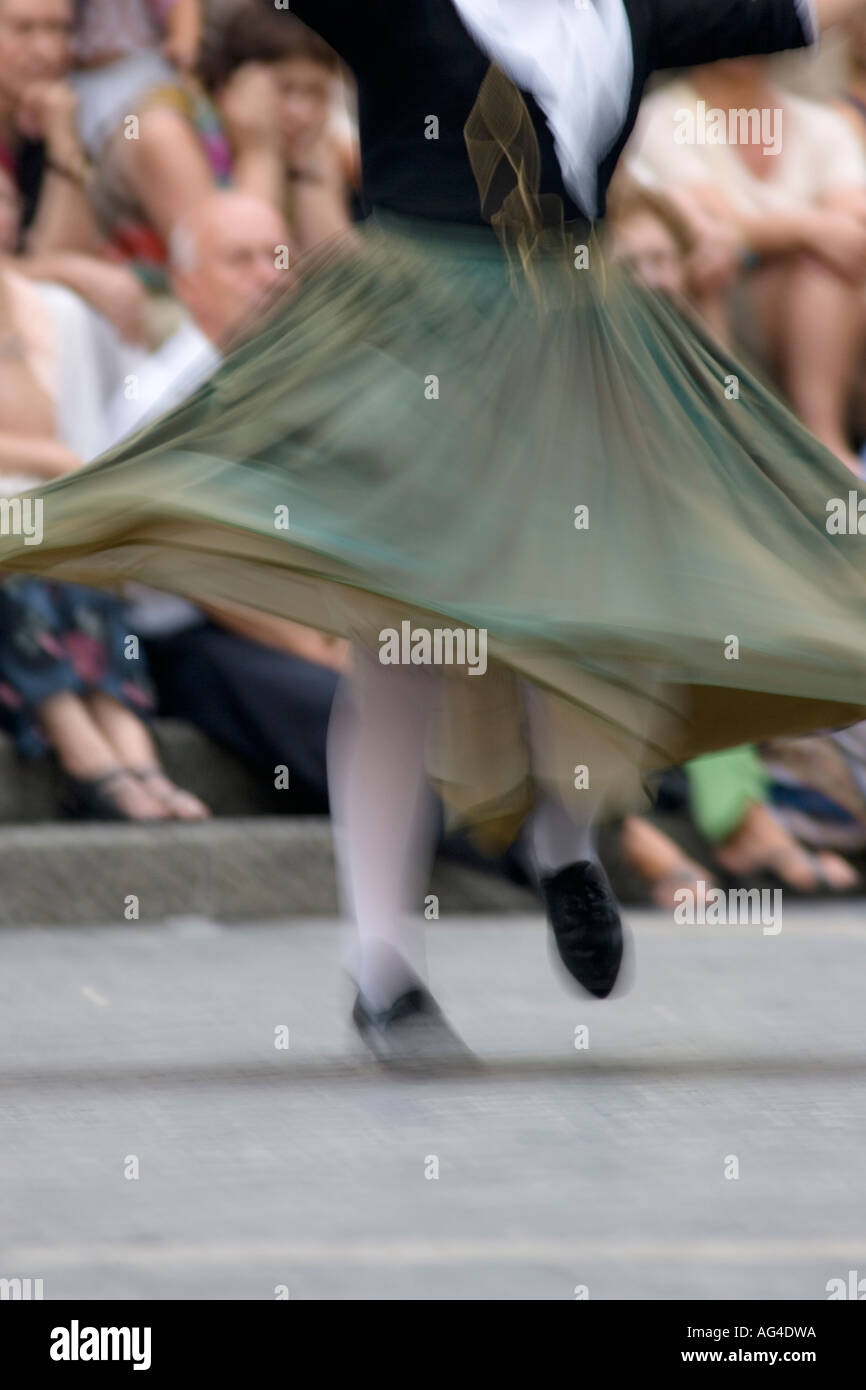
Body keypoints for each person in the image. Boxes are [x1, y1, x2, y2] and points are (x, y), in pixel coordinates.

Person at [4, 0, 866, 1069]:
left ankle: (560, 845)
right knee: (399, 653)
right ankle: (384, 974)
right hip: (415, 344)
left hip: (573, 344)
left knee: (572, 613)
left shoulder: (633, 14)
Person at [628, 54, 866, 470]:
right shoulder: (661, 117)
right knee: (820, 265)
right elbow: (713, 227)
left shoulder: (821, 123)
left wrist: (795, 233)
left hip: (830, 310)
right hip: (718, 306)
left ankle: (826, 446)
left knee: (832, 264)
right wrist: (809, 230)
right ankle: (825, 442)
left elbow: (852, 222)